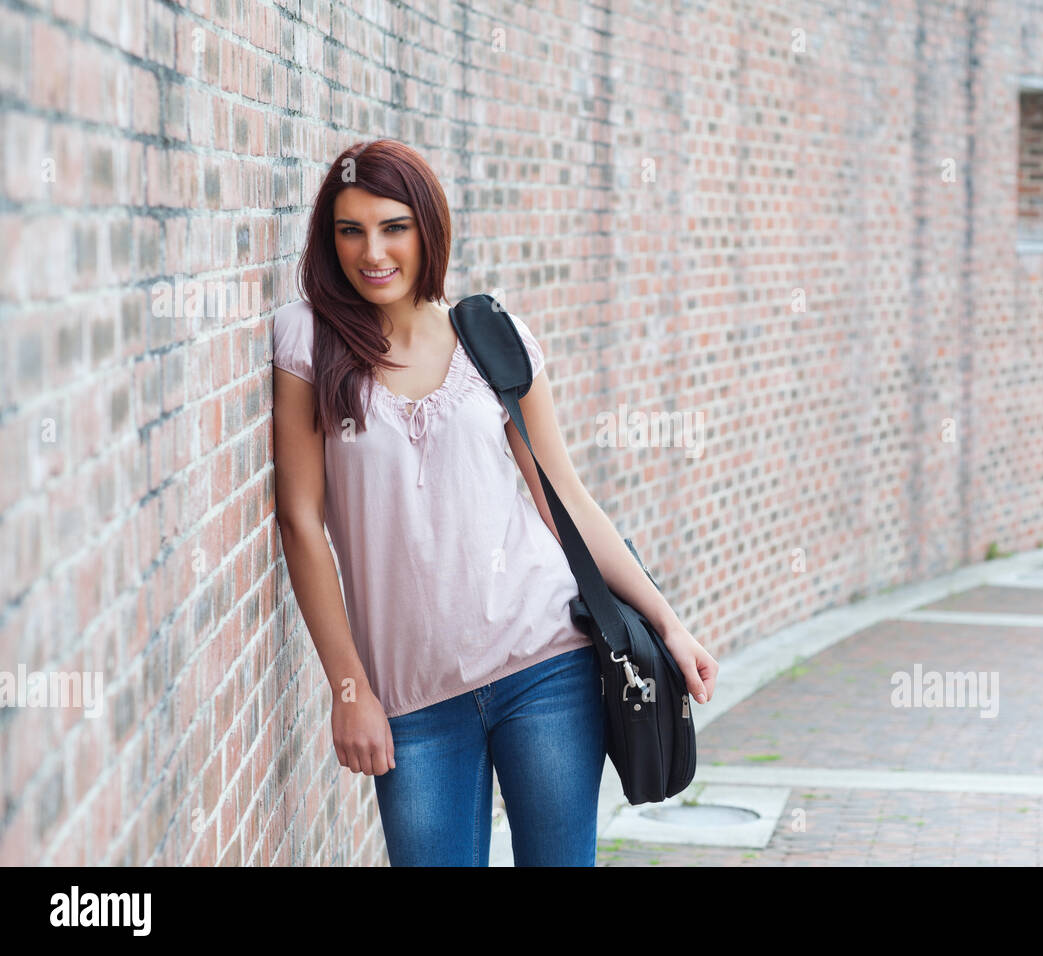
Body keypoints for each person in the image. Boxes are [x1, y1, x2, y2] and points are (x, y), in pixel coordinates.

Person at [270, 139, 718, 866]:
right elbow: (300, 522)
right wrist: (348, 686)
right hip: (411, 699)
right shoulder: (308, 340)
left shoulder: (492, 340)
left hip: (545, 667)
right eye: (351, 231)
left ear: (428, 230)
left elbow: (564, 499)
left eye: (393, 228)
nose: (372, 252)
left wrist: (668, 623)